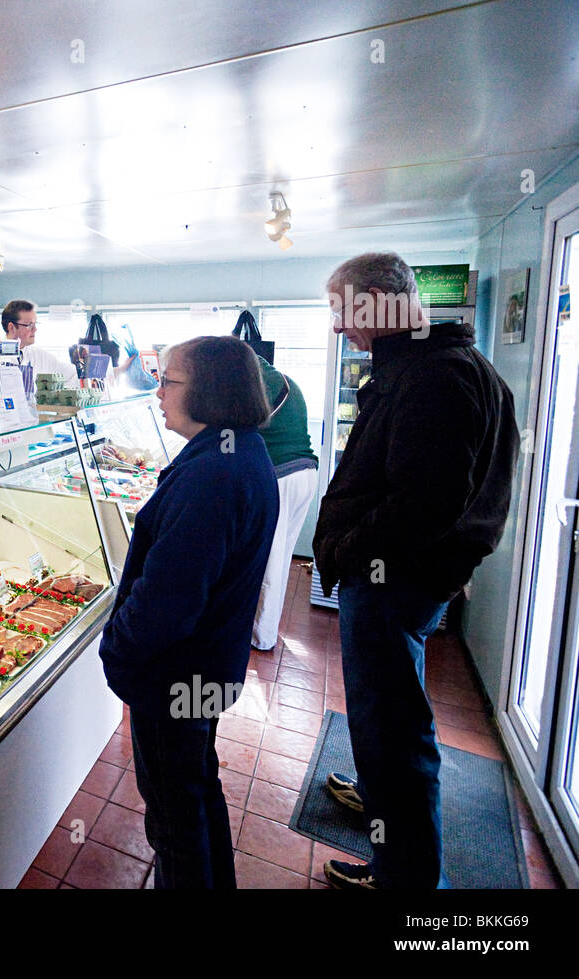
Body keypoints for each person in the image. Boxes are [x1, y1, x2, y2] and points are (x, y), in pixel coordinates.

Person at [313, 251, 518, 890]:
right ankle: (381, 811)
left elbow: (423, 504)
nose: (340, 328)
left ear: (378, 299)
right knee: (387, 719)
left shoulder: (436, 377)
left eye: (342, 310)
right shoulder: (450, 364)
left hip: (390, 583)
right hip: (408, 581)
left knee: (394, 734)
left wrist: (347, 549)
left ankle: (406, 880)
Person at [99, 335, 278, 888]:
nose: (158, 391)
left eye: (169, 380)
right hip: (207, 667)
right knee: (197, 787)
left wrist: (117, 648)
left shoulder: (213, 476)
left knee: (174, 814)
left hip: (175, 675)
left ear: (210, 393)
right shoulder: (235, 449)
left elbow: (167, 603)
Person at [241, 319, 319, 652]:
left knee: (270, 561)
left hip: (281, 478)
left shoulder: (253, 386)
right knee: (281, 555)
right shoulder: (286, 381)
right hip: (305, 474)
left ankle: (261, 636)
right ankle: (264, 627)